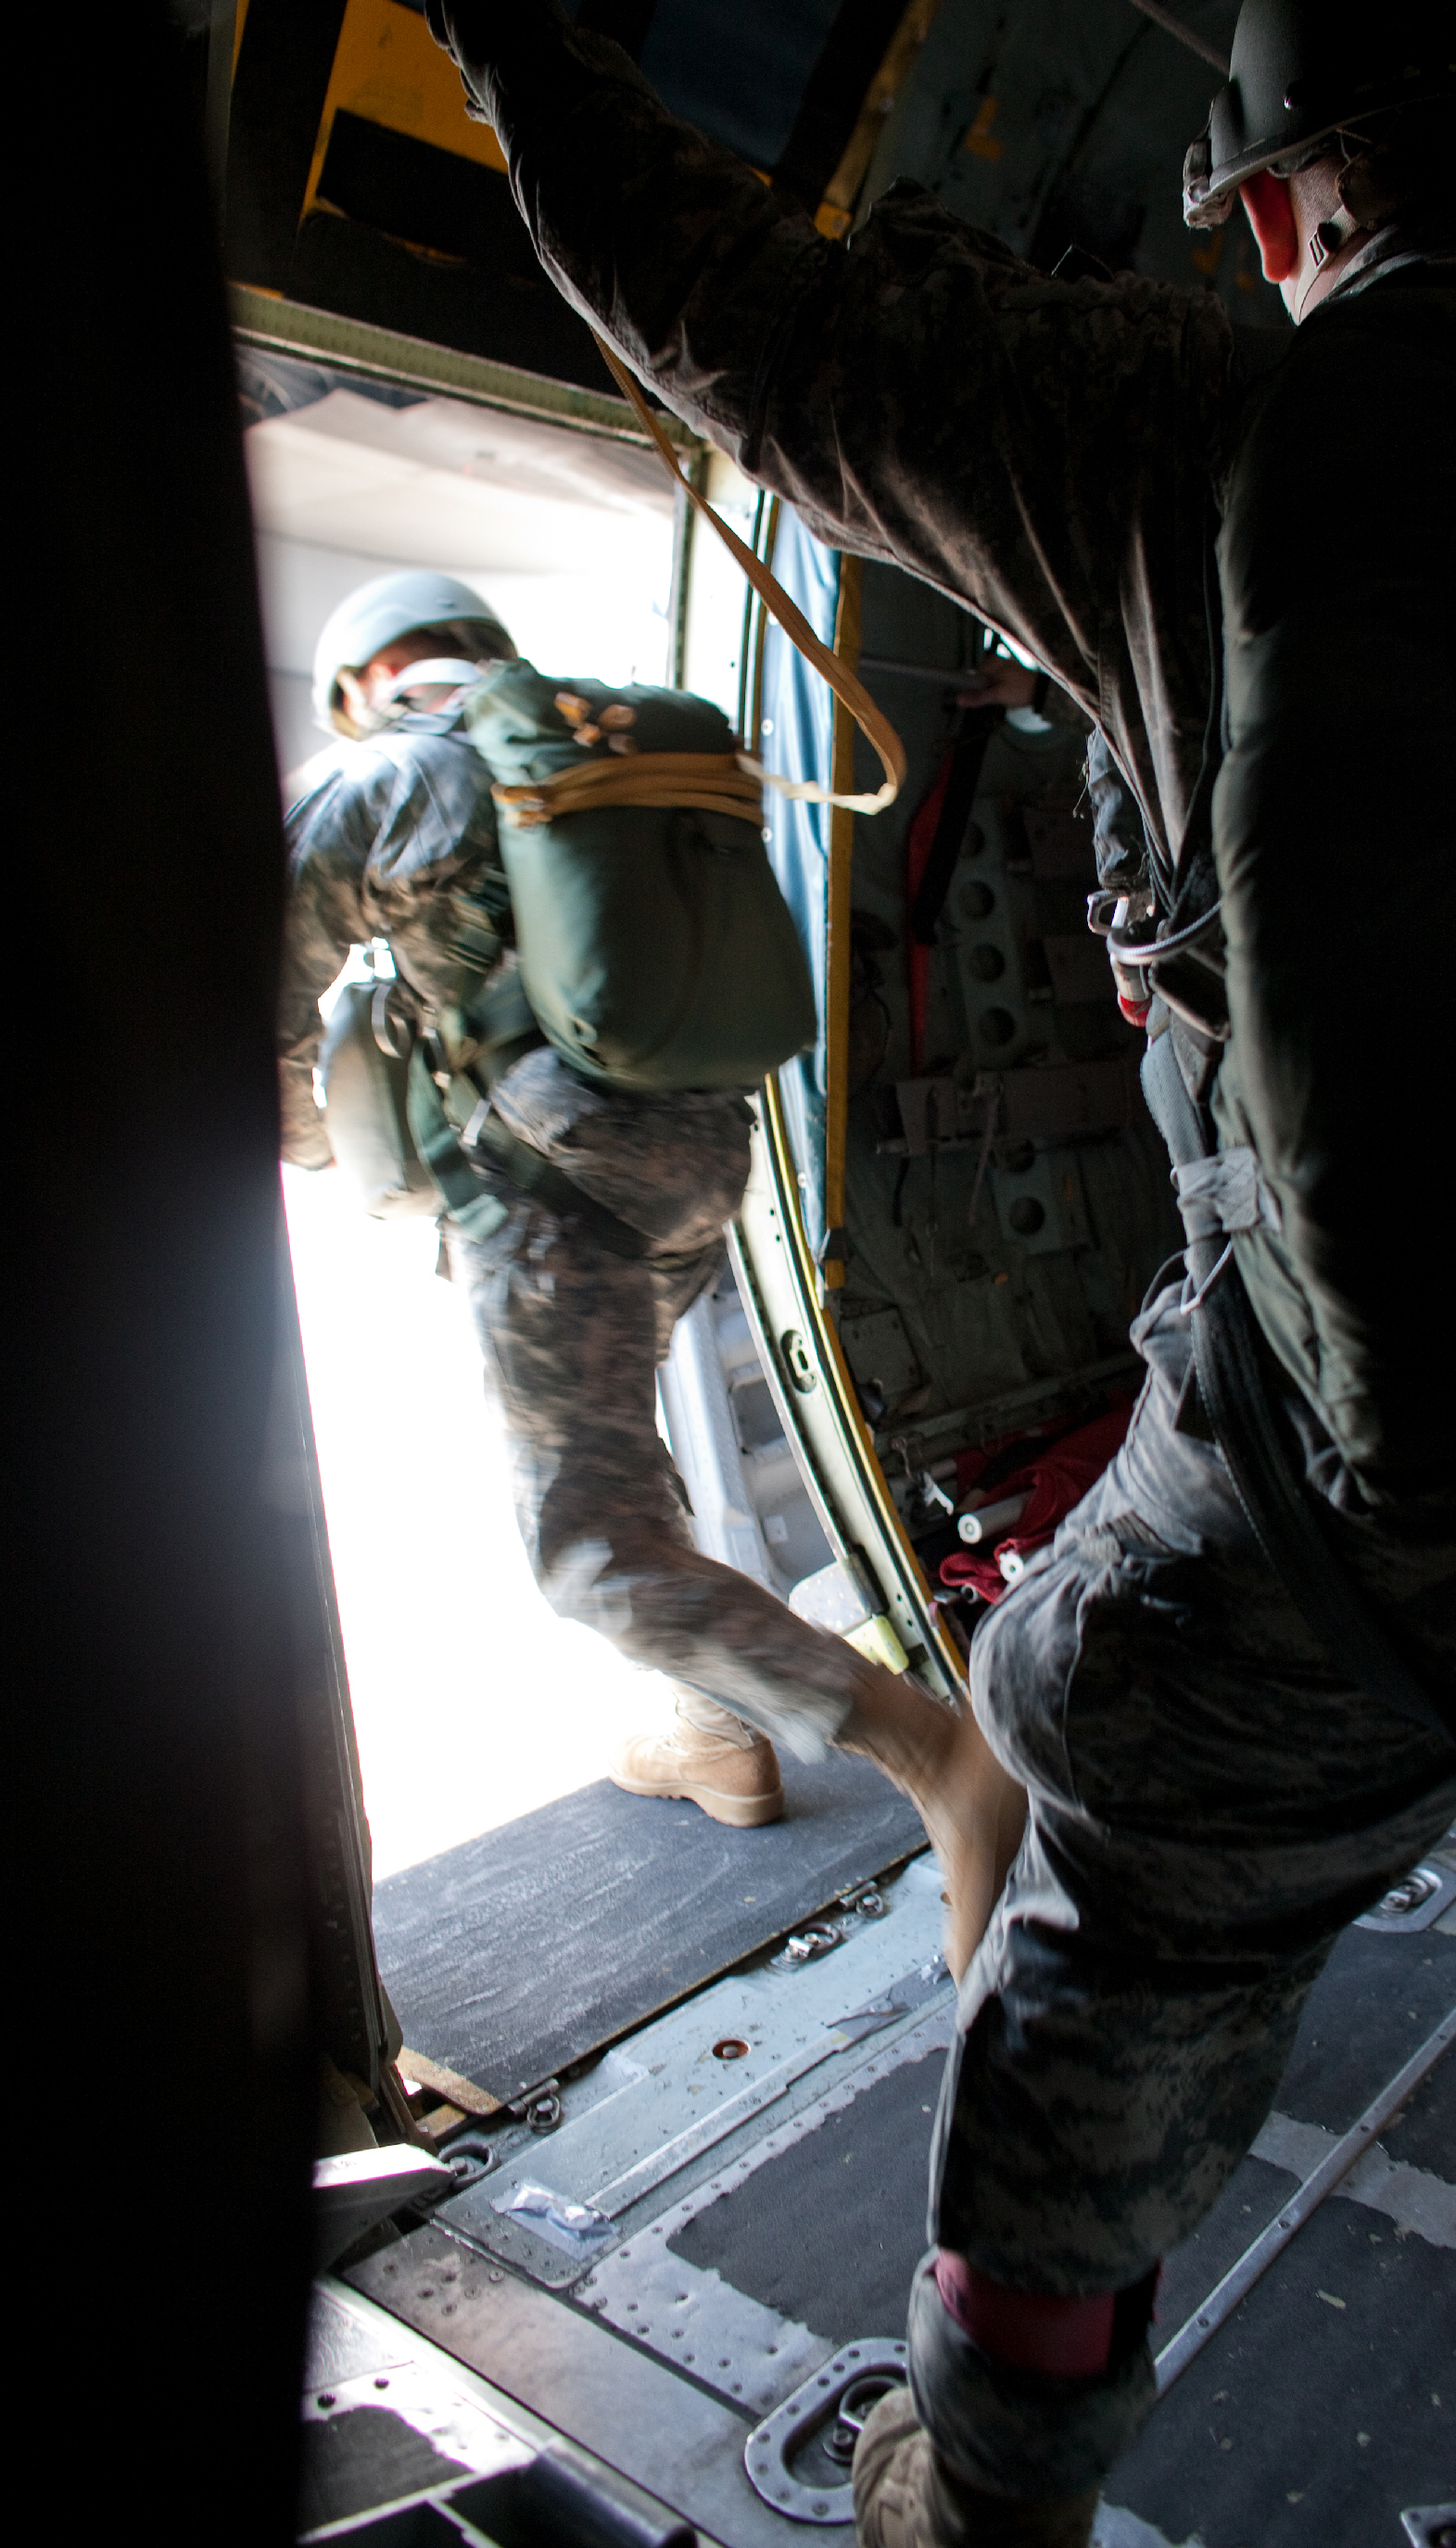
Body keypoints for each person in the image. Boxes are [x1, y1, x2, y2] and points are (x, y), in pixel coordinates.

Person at [395, 0, 1456, 2544]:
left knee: (1102, 1976)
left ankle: (994, 2476)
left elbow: (725, 308)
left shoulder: (1185, 442)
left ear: (1279, 208)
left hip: (1350, 1513)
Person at [278, 570, 1023, 1918]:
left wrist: (318, 1139)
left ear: (359, 688)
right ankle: (711, 1728)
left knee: (587, 1548)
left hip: (546, 1182)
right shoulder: (606, 751)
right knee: (620, 1445)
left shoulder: (385, 775)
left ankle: (931, 1749)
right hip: (696, 1168)